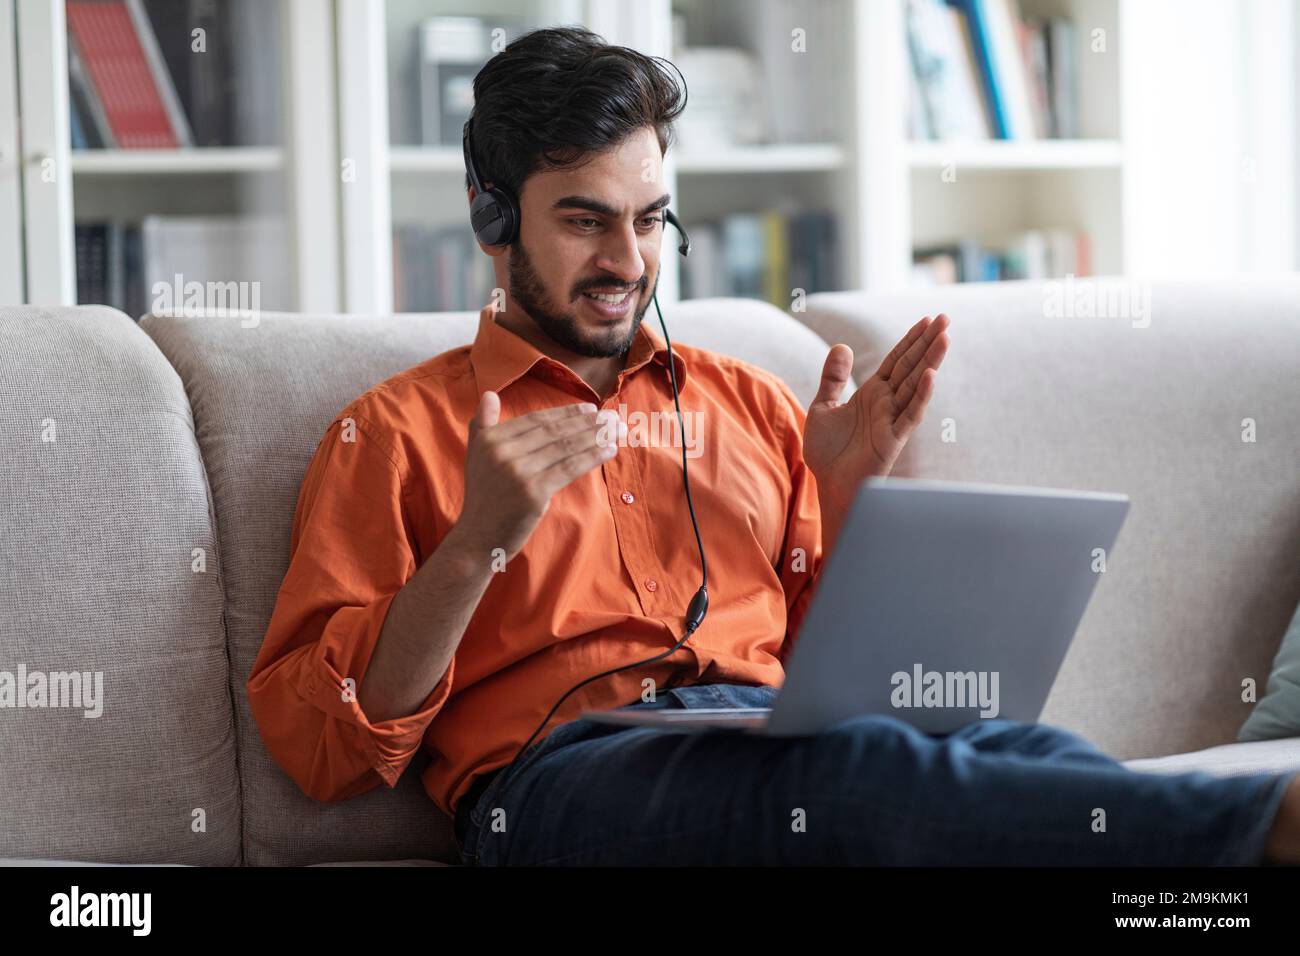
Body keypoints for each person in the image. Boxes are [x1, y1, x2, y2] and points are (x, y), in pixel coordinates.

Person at [247, 26, 1300, 866]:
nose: (628, 260)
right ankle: (1265, 831)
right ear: (491, 217)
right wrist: (474, 545)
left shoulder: (750, 403)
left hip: (761, 738)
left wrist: (842, 504)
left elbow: (842, 683)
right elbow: (325, 748)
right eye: (585, 221)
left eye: (652, 220)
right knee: (861, 782)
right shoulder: (392, 431)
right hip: (559, 784)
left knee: (1012, 751)